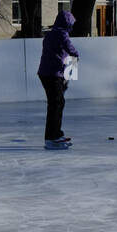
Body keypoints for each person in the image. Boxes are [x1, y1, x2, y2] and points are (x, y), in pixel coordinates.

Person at [38, 10, 79, 149]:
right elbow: (71, 51)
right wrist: (75, 59)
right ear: (67, 24)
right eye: (71, 24)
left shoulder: (50, 34)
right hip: (53, 74)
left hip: (45, 73)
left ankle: (55, 134)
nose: (71, 27)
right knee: (56, 104)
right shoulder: (62, 34)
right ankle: (52, 137)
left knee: (56, 103)